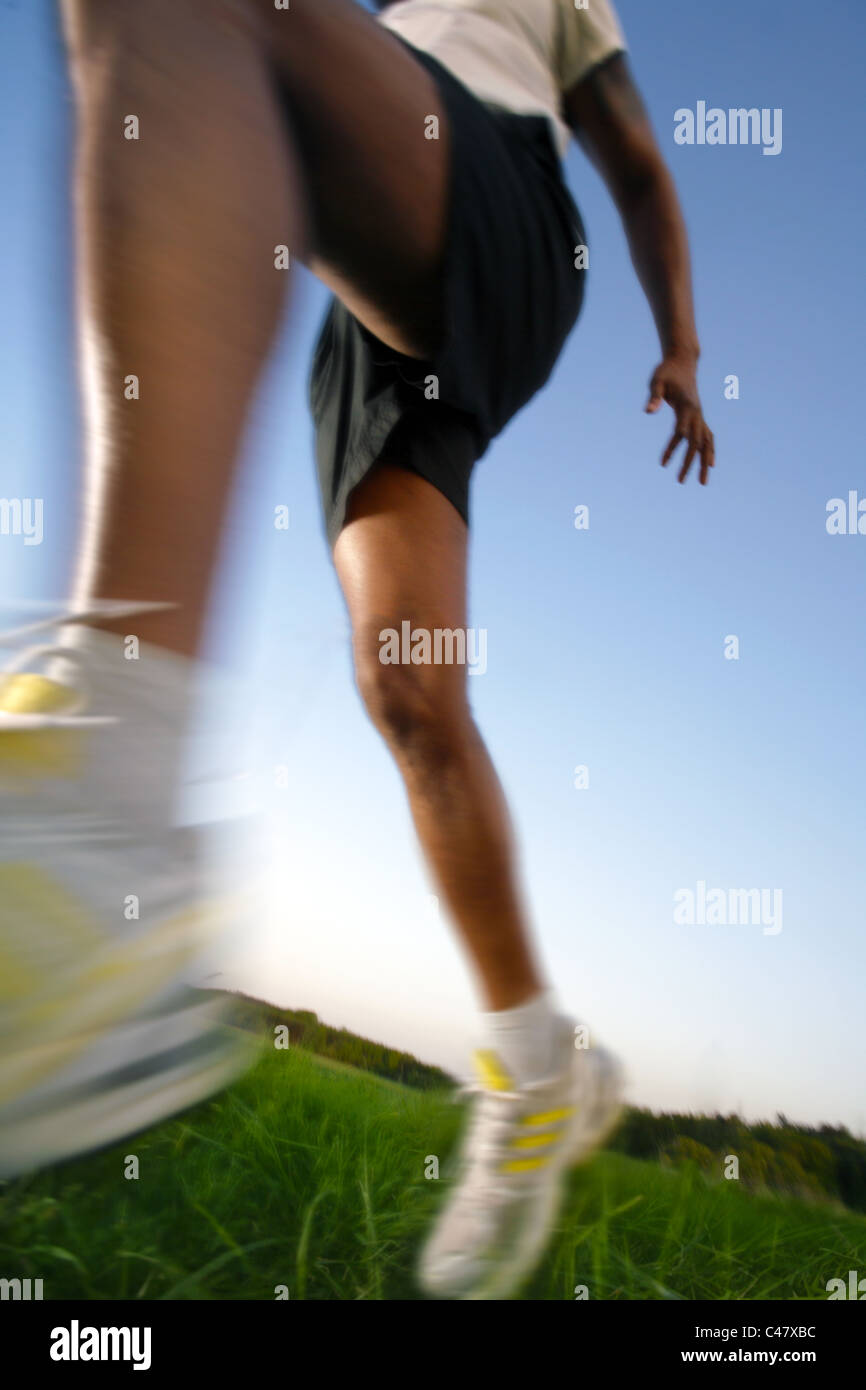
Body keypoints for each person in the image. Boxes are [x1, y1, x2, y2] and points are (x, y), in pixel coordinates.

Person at [0, 0, 714, 1300]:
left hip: (499, 198)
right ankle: (538, 1064)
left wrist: (679, 345)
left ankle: (103, 804)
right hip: (379, 324)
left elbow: (640, 165)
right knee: (407, 688)